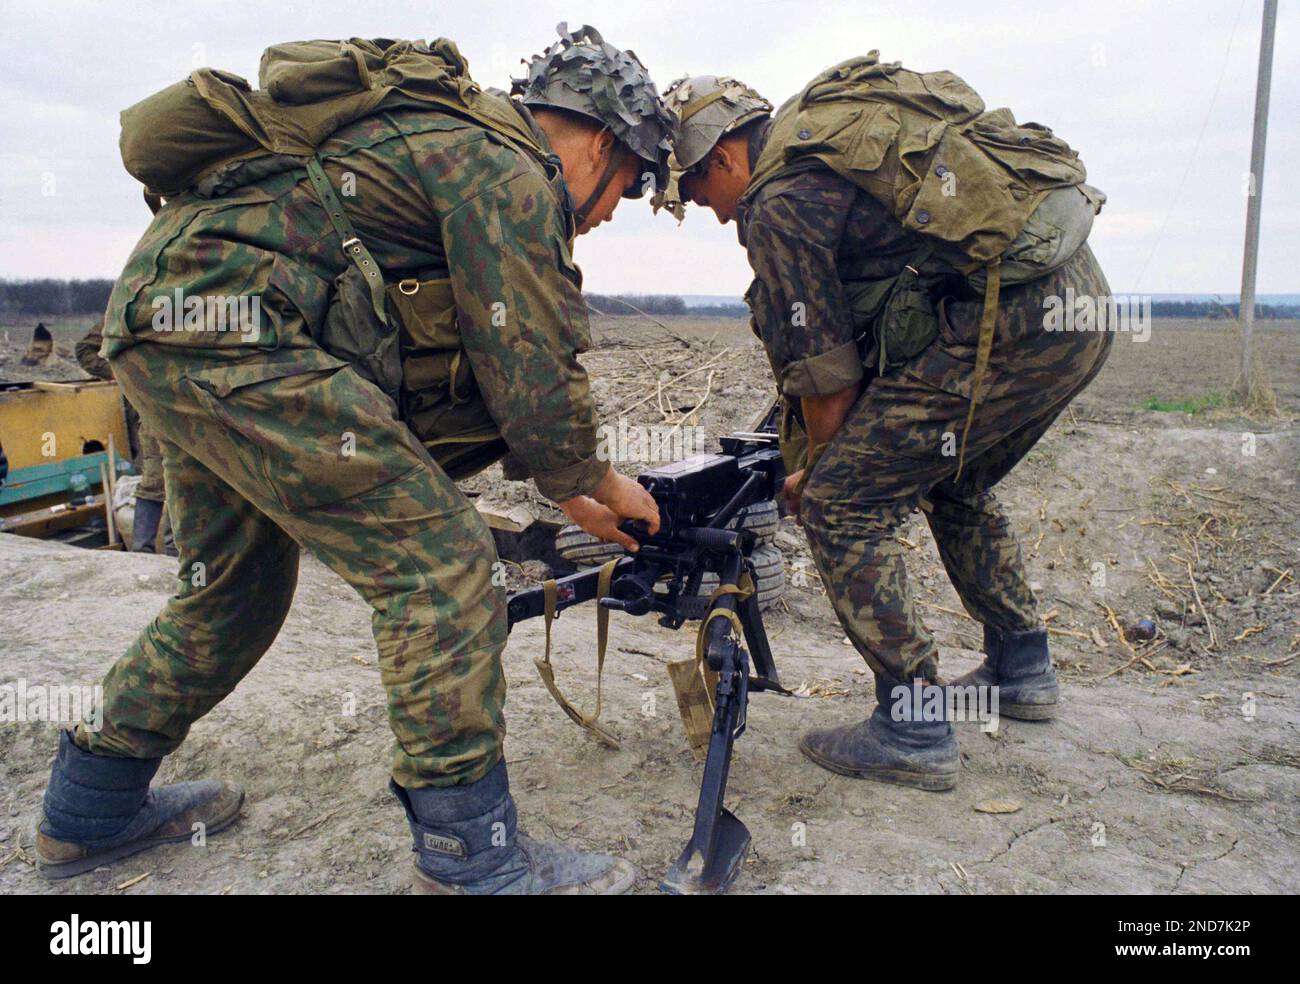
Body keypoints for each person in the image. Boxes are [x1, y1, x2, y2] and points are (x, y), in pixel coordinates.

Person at [37, 26, 673, 895]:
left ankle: (88, 809)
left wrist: (569, 486)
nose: (605, 212)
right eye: (627, 186)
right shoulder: (507, 169)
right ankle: (470, 859)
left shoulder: (424, 134)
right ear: (602, 140)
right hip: (244, 336)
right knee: (444, 570)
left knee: (234, 587)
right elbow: (528, 358)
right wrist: (592, 482)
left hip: (167, 323)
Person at [667, 68, 1112, 790]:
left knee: (842, 506)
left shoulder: (779, 200)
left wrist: (824, 471)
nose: (711, 212)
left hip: (1007, 321)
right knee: (953, 478)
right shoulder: (829, 138)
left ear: (723, 158)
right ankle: (1021, 667)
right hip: (1079, 305)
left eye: (696, 192)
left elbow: (824, 367)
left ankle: (912, 728)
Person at [75, 318, 169, 553]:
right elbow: (85, 349)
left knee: (187, 483)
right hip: (150, 408)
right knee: (155, 480)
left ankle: (176, 555)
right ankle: (143, 553)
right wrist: (118, 373)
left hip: (191, 408)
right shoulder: (136, 305)